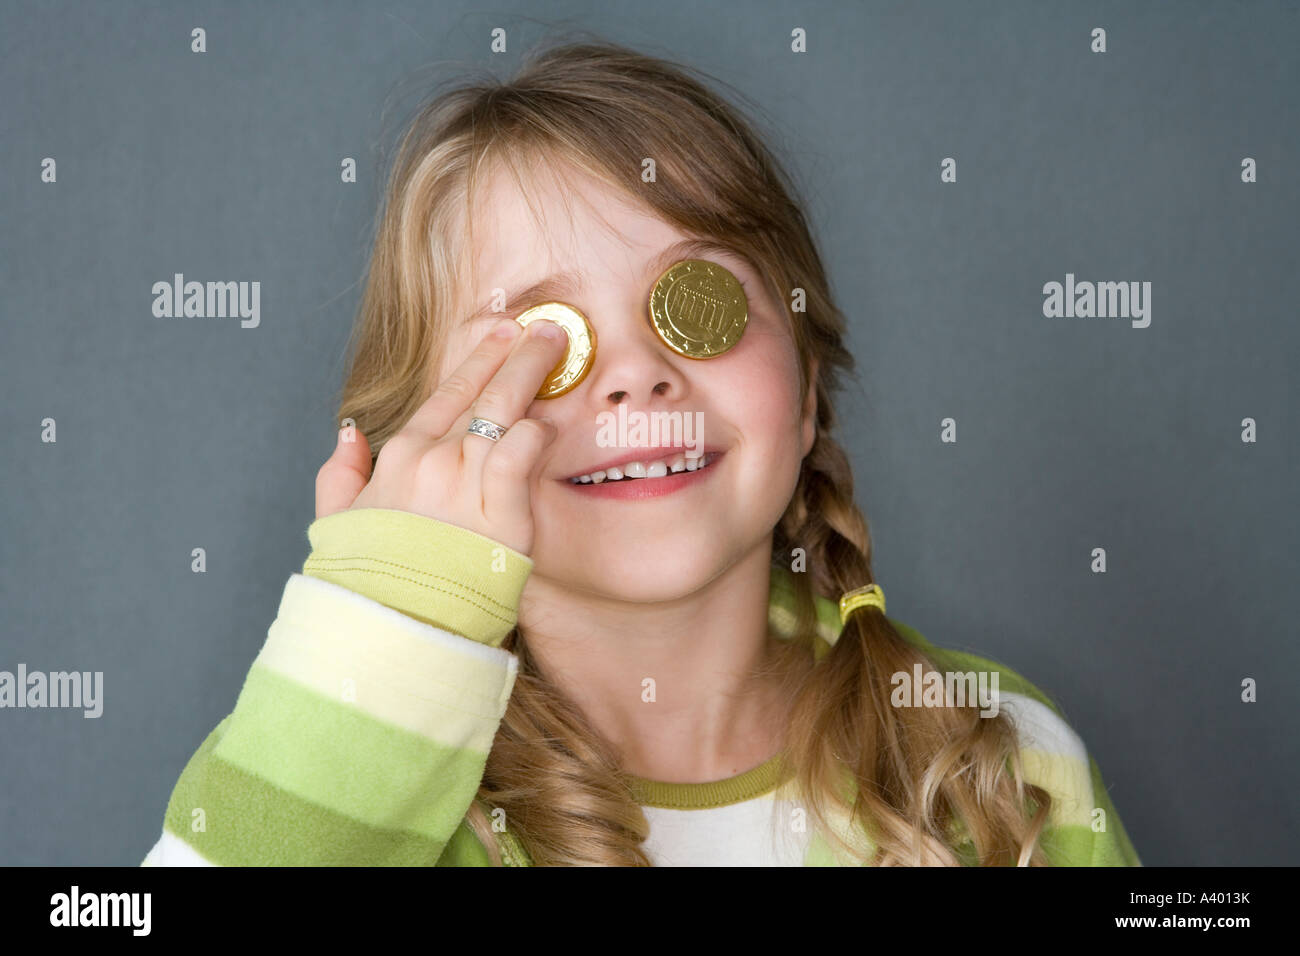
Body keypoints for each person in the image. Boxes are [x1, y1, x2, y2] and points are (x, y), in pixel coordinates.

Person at [141, 39, 1140, 866]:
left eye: (695, 303)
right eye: (544, 334)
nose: (635, 376)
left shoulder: (993, 759)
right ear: (428, 438)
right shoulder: (345, 774)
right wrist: (388, 621)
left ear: (802, 391)